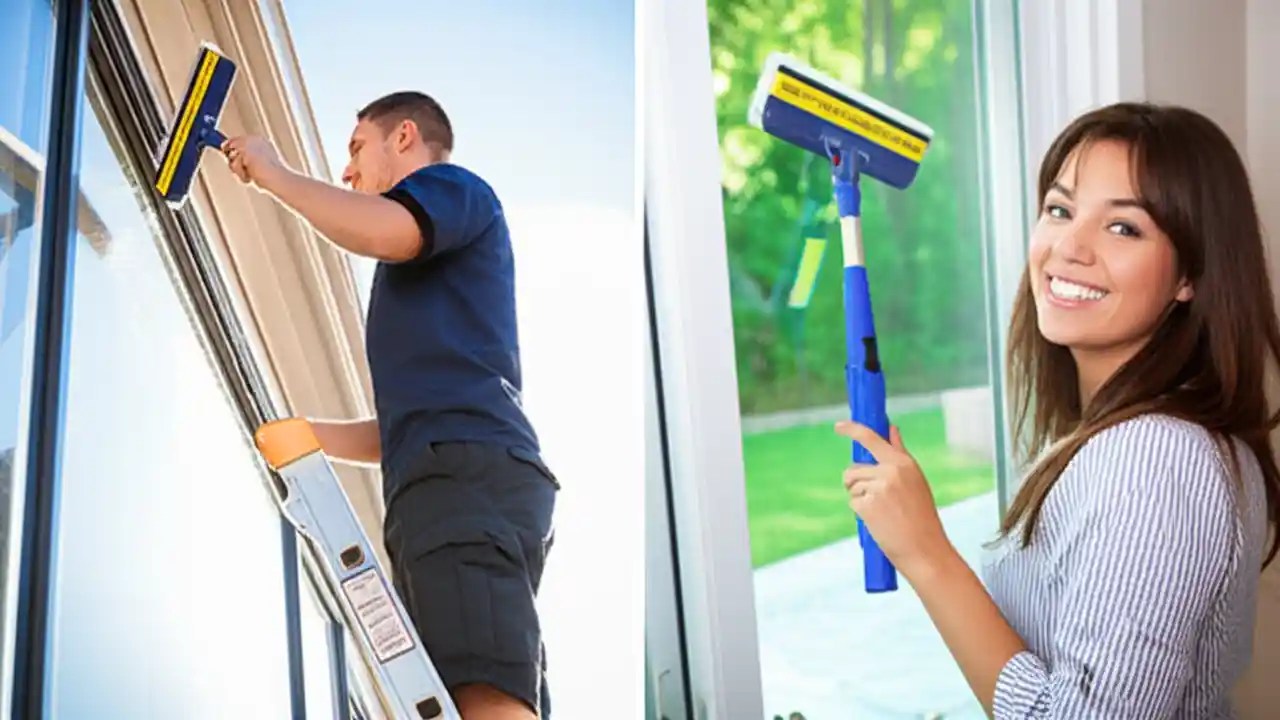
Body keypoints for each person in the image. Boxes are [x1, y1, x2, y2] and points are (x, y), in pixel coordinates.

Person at [836, 102, 1280, 718]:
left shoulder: (1157, 458)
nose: (1069, 247)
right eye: (1060, 209)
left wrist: (926, 552)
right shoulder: (1117, 436)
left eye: (1123, 227)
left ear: (1191, 275)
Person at [221, 91, 557, 720]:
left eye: (355, 149)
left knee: (481, 695)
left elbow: (386, 231)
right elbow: (405, 422)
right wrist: (310, 435)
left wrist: (273, 174)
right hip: (454, 471)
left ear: (404, 137)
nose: (346, 170)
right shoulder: (425, 287)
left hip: (461, 476)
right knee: (473, 690)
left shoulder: (454, 189)